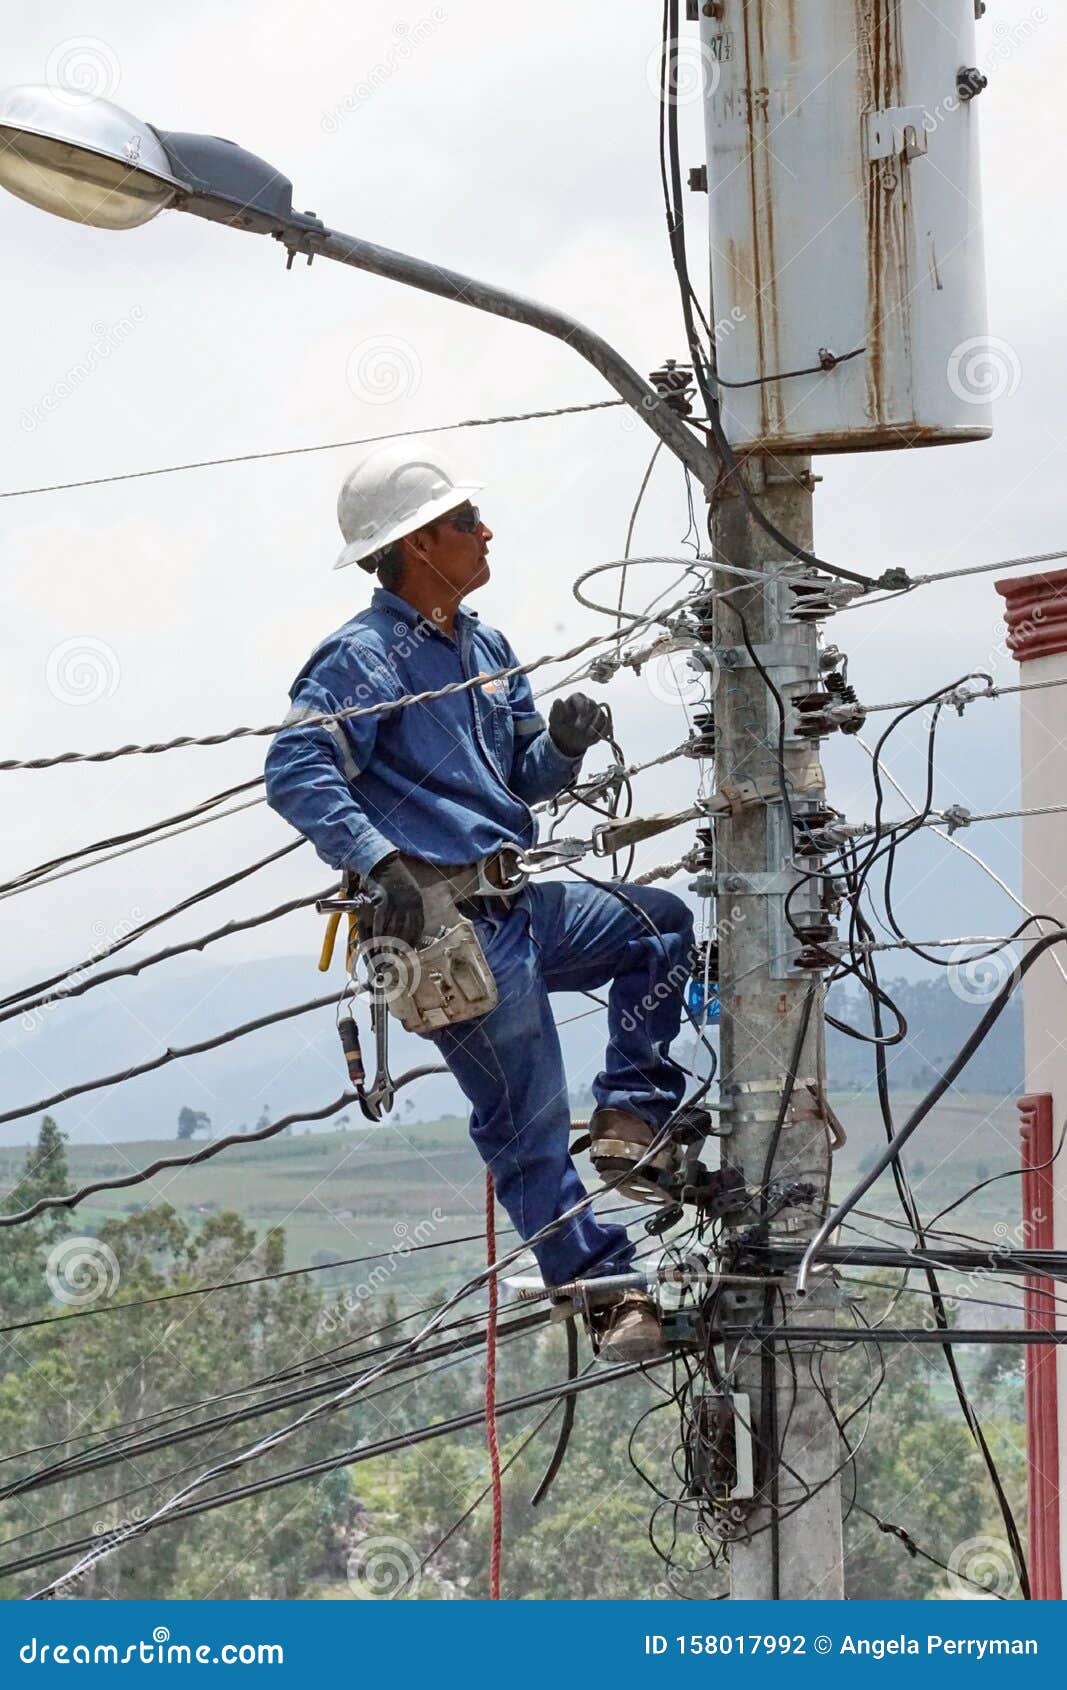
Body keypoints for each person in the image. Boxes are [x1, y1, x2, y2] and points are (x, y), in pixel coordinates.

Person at [264, 442, 694, 1360]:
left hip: (515, 904)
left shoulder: (487, 645)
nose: (484, 531)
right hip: (444, 928)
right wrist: (382, 868)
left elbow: (519, 774)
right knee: (525, 1125)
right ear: (418, 544)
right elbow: (296, 770)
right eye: (465, 522)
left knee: (660, 927)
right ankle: (603, 1287)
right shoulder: (362, 658)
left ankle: (629, 1112)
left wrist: (564, 750)